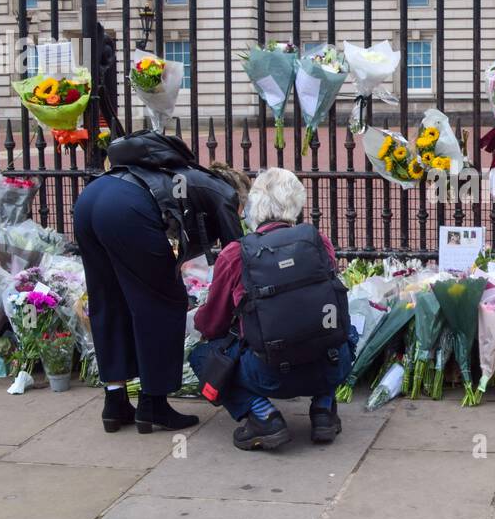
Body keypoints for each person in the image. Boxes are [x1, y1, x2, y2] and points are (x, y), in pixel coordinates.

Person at [74, 130, 244, 435]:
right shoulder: (225, 193)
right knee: (164, 302)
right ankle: (153, 404)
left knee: (109, 299)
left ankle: (115, 403)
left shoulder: (183, 175)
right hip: (125, 208)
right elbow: (238, 253)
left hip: (91, 197)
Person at [190, 168, 354, 451]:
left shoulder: (235, 253)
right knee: (343, 328)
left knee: (203, 356)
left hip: (269, 374)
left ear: (254, 206)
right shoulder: (318, 242)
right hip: (330, 363)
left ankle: (263, 416)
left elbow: (211, 324)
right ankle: (324, 408)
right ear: (297, 203)